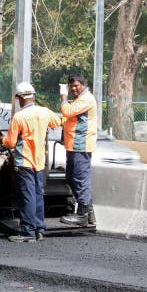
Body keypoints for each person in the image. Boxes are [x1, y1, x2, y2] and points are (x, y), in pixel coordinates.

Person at [0, 82, 62, 242]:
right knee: (38, 195)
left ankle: (27, 231)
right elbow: (57, 122)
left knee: (27, 197)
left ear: (20, 98)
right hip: (39, 163)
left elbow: (11, 143)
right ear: (33, 96)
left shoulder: (19, 117)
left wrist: (2, 139)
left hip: (24, 162)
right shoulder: (44, 111)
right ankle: (39, 229)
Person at [58, 73, 98, 226]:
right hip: (73, 145)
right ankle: (89, 213)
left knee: (80, 179)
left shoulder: (86, 99)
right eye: (71, 86)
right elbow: (70, 117)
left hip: (81, 145)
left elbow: (67, 111)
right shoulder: (79, 99)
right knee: (71, 178)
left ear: (83, 84)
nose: (73, 88)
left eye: (76, 85)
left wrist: (63, 96)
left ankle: (82, 215)